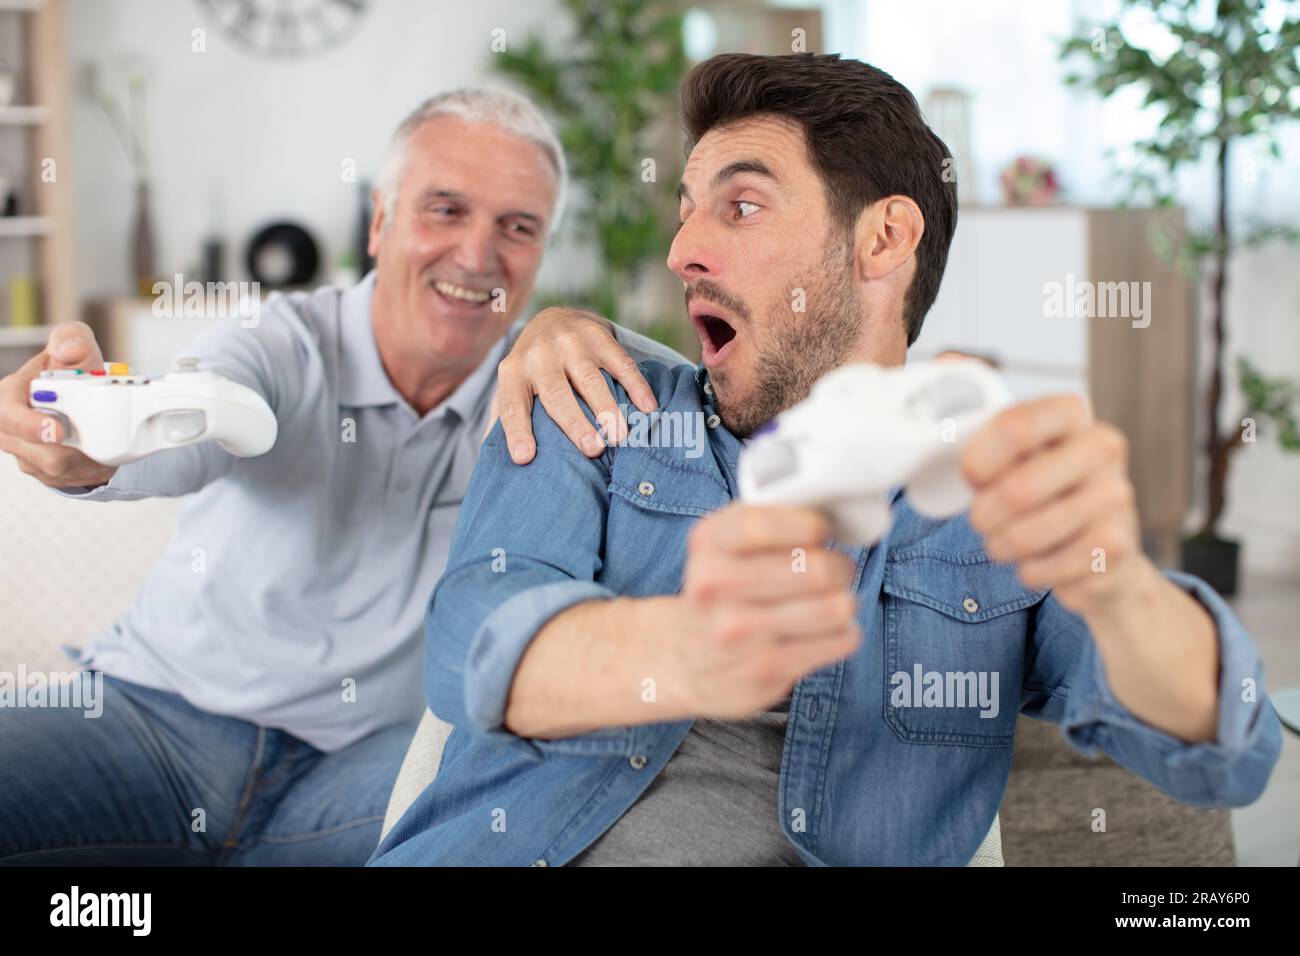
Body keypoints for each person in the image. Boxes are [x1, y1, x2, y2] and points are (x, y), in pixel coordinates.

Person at [370, 54, 1282, 867]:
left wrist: (1116, 583)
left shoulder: (987, 492)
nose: (682, 250)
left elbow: (1224, 748)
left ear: (884, 239)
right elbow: (466, 647)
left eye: (742, 205)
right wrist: (684, 648)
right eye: (687, 213)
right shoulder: (598, 394)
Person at [0, 88, 680, 866]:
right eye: (446, 210)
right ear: (381, 223)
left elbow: (691, 402)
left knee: (549, 793)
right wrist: (90, 445)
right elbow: (198, 416)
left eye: (518, 227)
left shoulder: (541, 387)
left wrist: (579, 324)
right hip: (154, 720)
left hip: (360, 772)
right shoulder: (280, 343)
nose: (477, 255)